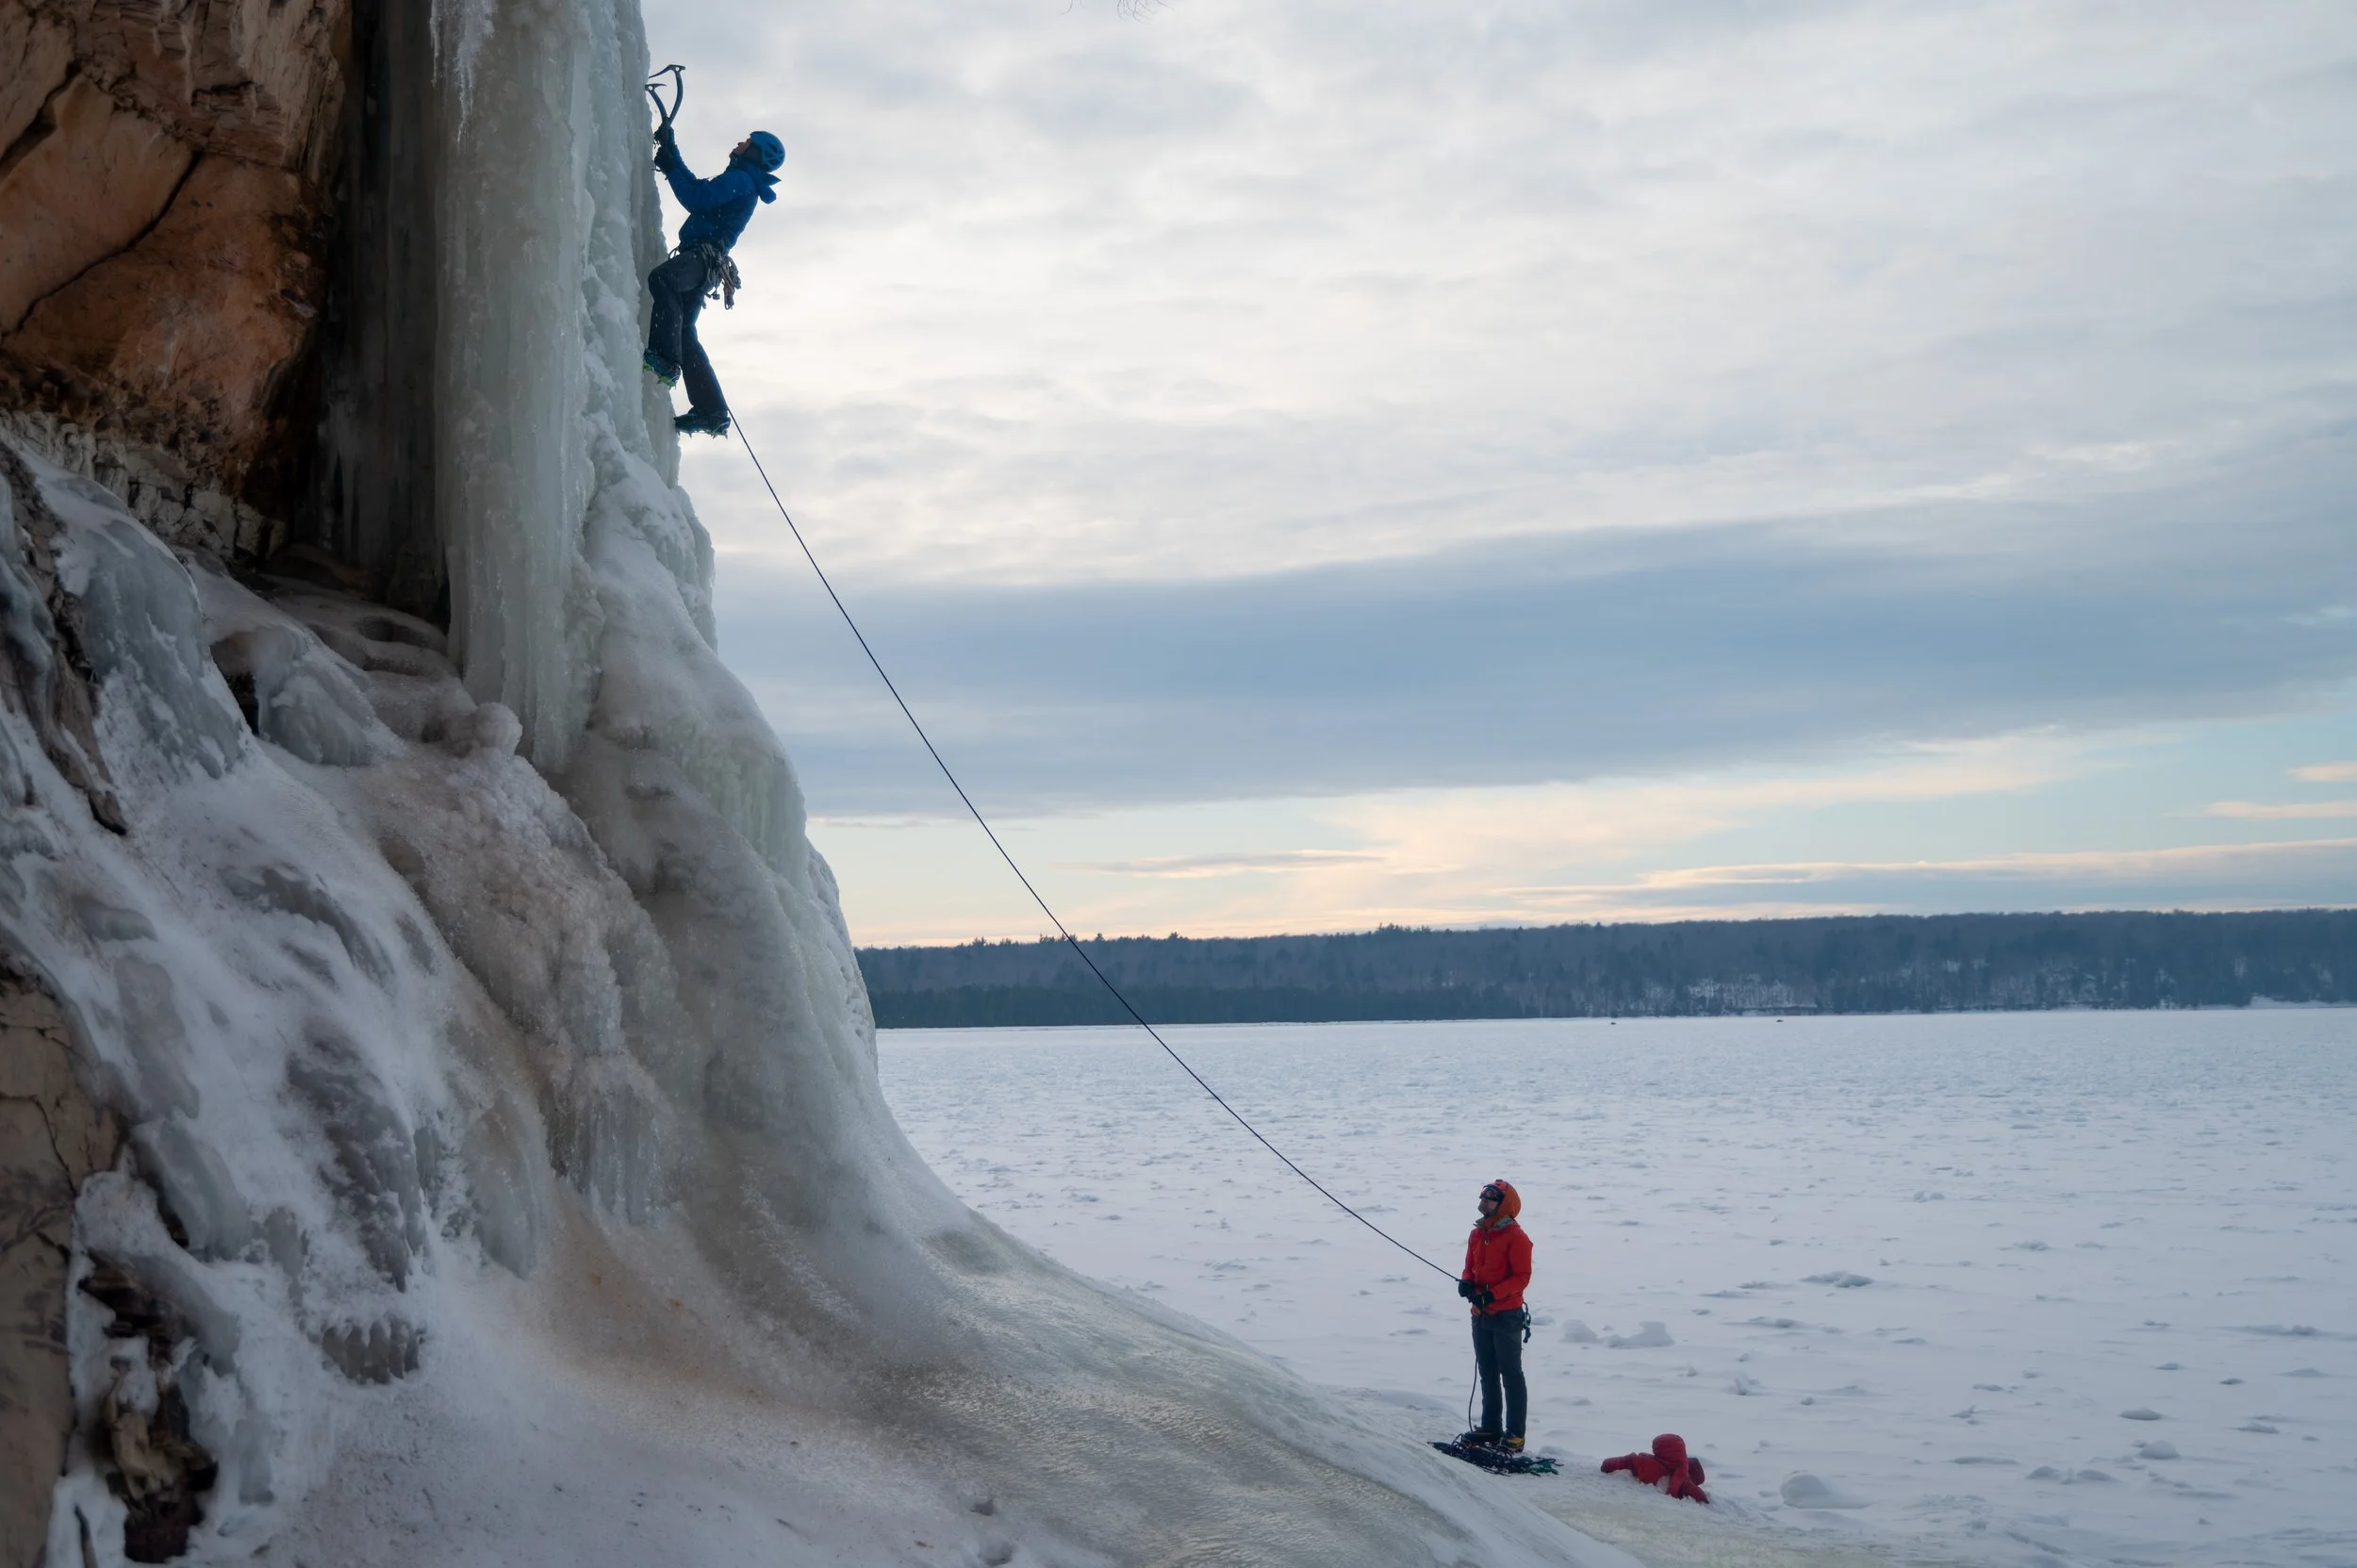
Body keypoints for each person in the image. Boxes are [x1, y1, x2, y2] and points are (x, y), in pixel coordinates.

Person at [643, 123, 783, 437]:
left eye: (747, 141)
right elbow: (696, 188)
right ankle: (712, 410)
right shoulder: (743, 180)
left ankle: (665, 359)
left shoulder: (742, 180)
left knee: (663, 281)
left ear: (757, 152)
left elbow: (696, 197)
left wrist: (670, 165)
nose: (740, 143)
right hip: (707, 265)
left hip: (701, 258)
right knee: (685, 333)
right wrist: (672, 153)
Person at [1456, 1178, 1533, 1454]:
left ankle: (1515, 1434)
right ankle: (1490, 1426)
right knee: (1487, 1372)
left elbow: (1522, 1278)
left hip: (1506, 1315)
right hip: (1480, 1314)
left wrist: (1492, 1294)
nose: (1483, 1202)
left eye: (1490, 1198)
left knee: (1511, 1374)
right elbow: (1469, 1266)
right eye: (1483, 1197)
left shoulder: (1517, 1237)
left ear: (1503, 1205)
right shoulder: (1477, 1233)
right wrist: (1467, 1283)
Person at [1602, 1433, 1710, 1504]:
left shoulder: (1642, 1462)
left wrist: (1605, 1467)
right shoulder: (1683, 1476)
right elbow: (1703, 1499)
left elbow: (1608, 1464)